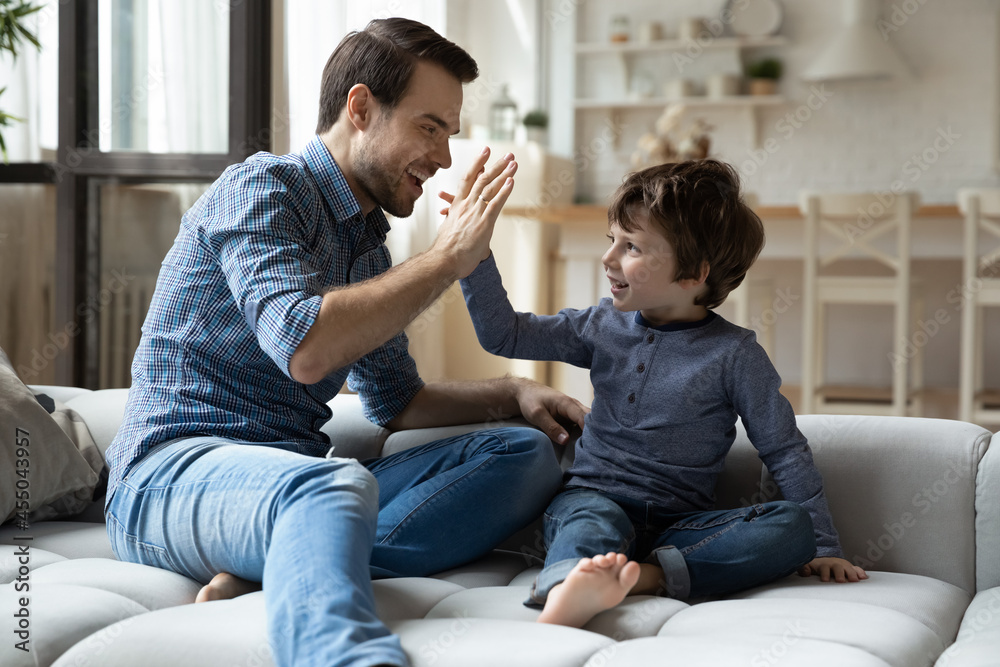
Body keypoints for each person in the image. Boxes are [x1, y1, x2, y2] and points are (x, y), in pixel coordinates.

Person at [104, 17, 586, 667]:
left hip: (290, 483)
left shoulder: (367, 245)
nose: (444, 157)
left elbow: (398, 402)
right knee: (331, 488)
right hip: (171, 476)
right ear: (361, 107)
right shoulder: (262, 188)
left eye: (450, 133)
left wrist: (515, 390)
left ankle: (281, 560)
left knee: (525, 453)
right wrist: (445, 260)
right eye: (429, 126)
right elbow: (304, 348)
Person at [458, 159, 868, 629]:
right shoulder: (600, 326)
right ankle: (568, 588)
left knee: (791, 528)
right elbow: (504, 335)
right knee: (589, 522)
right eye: (611, 240)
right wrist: (474, 257)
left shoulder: (736, 354)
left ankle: (641, 578)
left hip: (682, 528)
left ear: (693, 274)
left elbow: (785, 450)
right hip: (595, 498)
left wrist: (826, 547)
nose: (609, 259)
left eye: (630, 246)